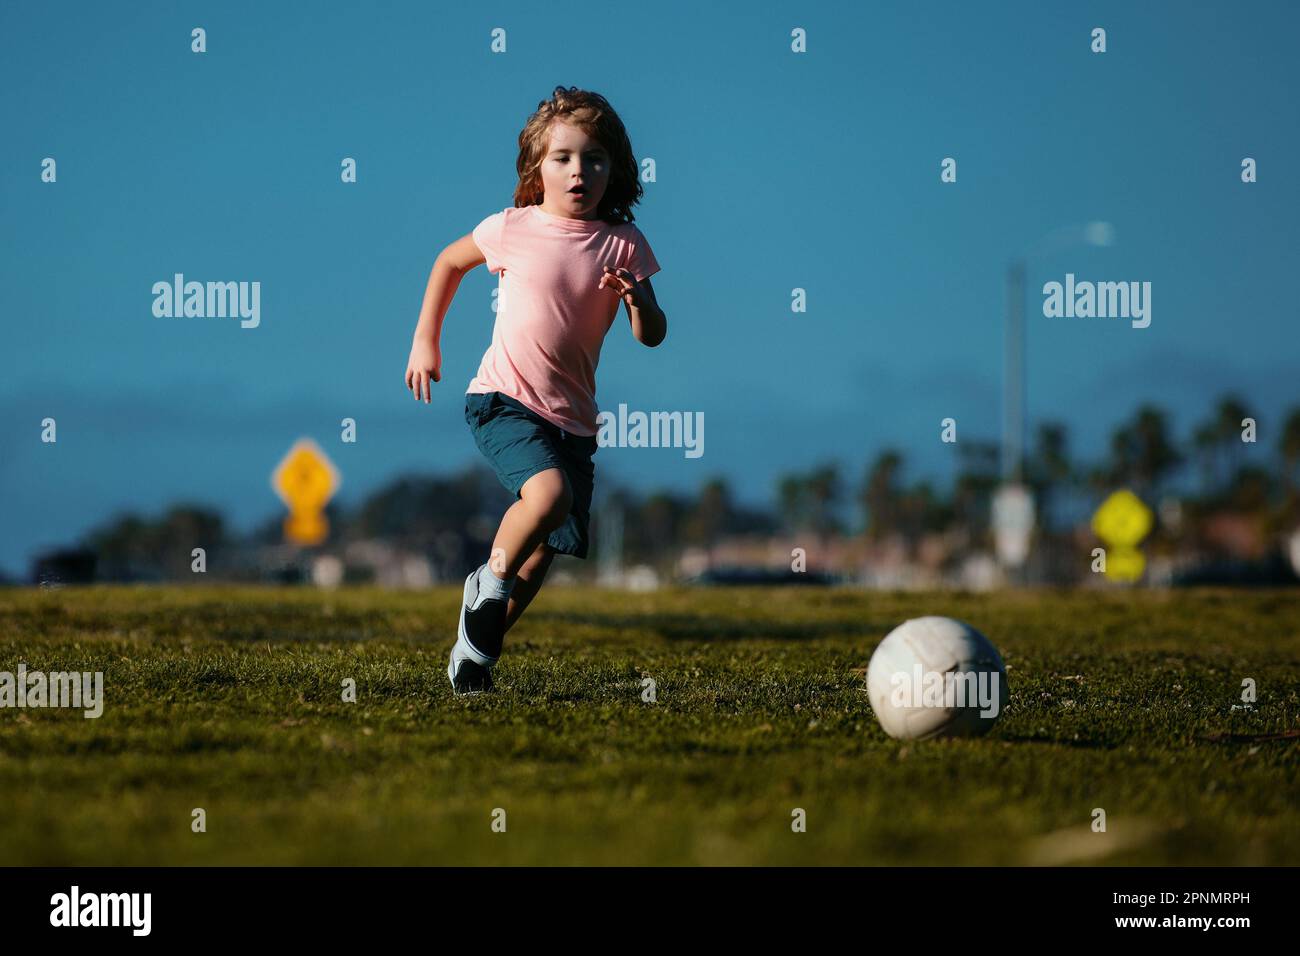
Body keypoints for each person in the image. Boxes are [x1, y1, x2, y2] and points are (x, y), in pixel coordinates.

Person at [404, 86, 666, 694]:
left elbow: (651, 336)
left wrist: (640, 301)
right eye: (564, 158)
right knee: (545, 499)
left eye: (595, 158)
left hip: (573, 422)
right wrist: (425, 341)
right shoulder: (513, 228)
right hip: (503, 400)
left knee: (544, 550)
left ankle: (475, 654)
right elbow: (447, 262)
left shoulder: (625, 243)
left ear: (615, 169)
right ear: (537, 167)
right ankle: (487, 584)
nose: (580, 171)